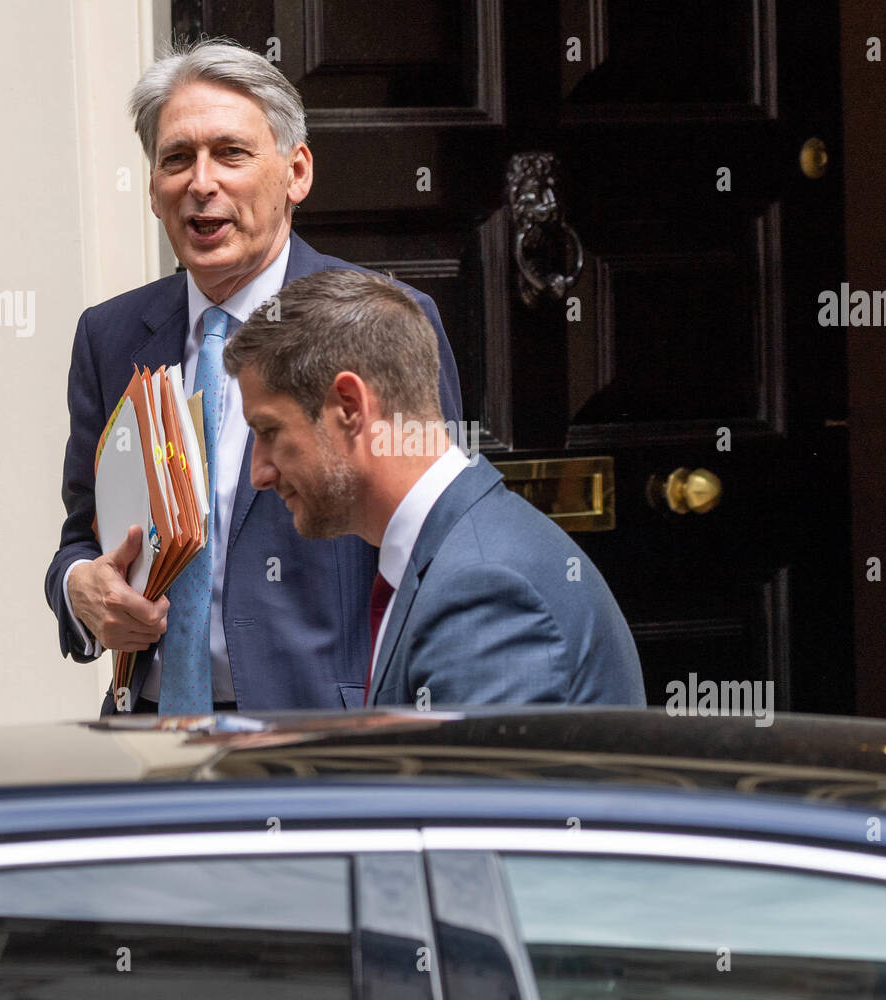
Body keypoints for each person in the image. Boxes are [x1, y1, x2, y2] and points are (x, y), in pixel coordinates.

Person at [44, 41, 461, 714]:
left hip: (321, 744)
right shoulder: (110, 335)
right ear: (153, 189)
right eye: (176, 158)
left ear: (296, 172)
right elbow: (81, 535)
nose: (200, 183)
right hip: (149, 739)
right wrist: (78, 589)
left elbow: (433, 545)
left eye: (230, 154)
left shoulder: (384, 322)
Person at [223, 269, 645, 707]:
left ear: (349, 406)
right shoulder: (447, 551)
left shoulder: (483, 588)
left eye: (269, 430)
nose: (259, 472)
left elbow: (469, 777)